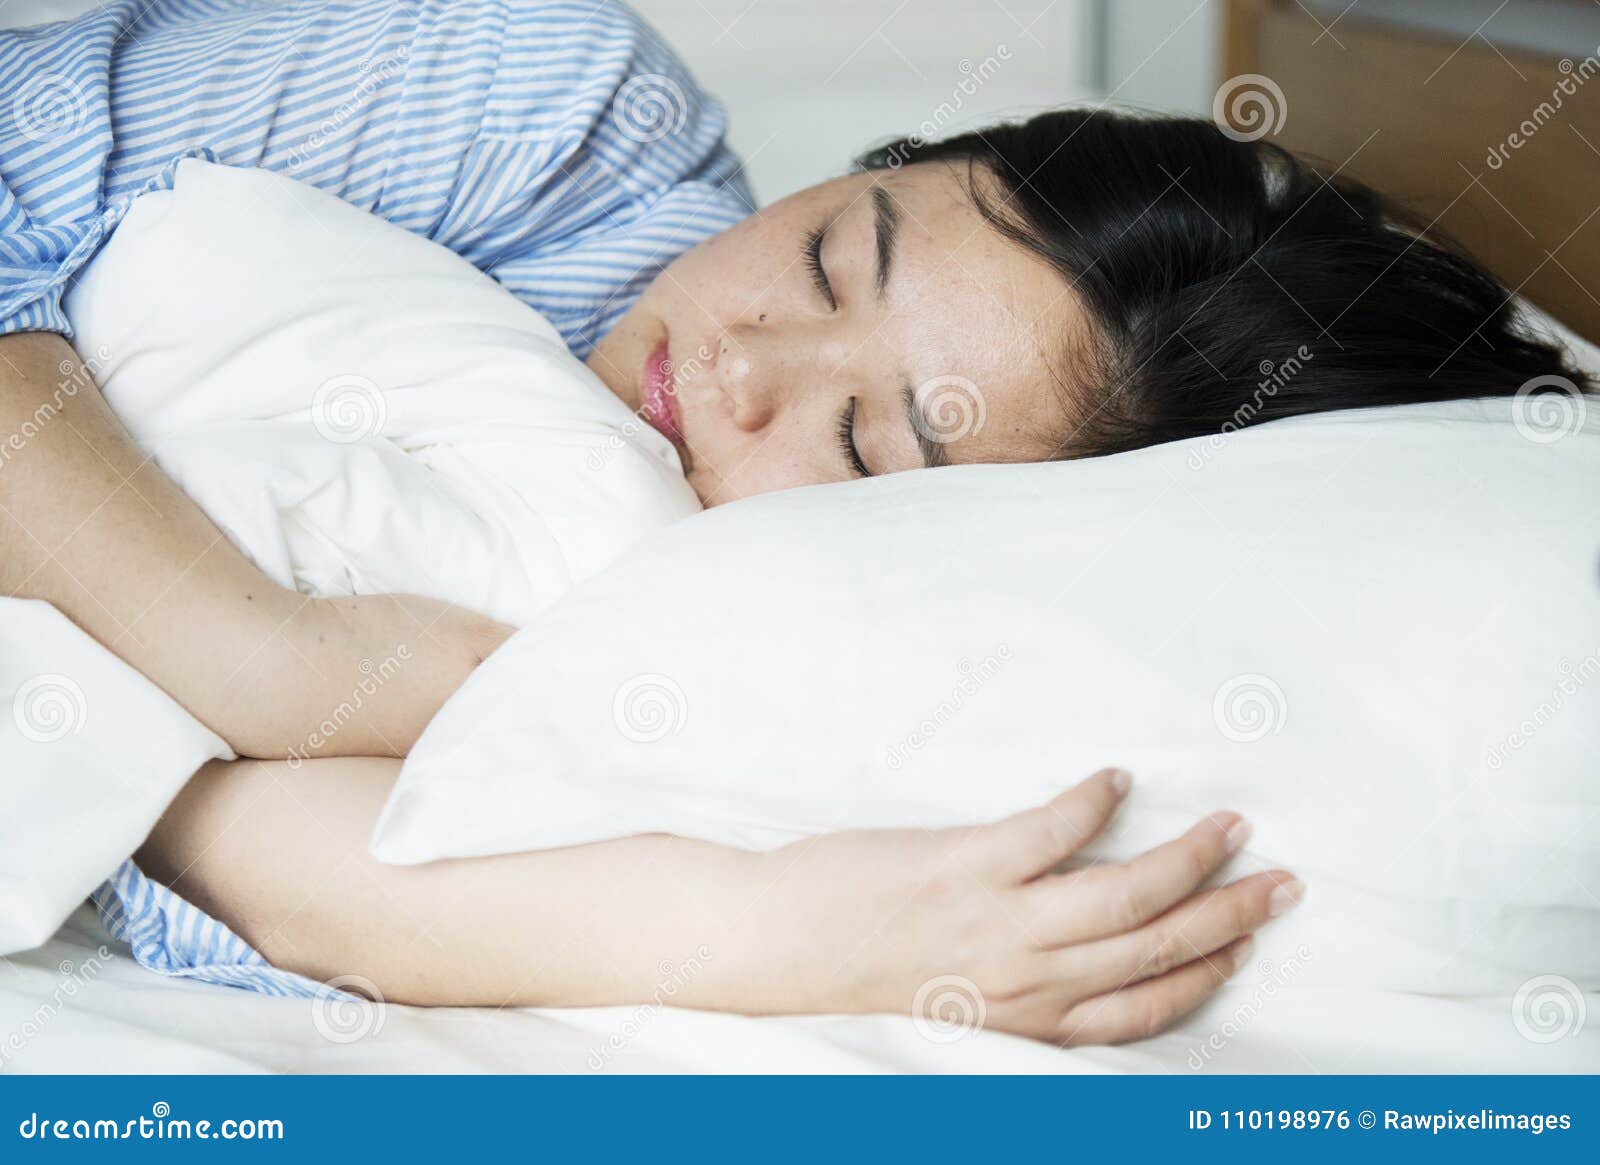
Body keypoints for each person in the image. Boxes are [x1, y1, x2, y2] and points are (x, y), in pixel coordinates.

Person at [2, 0, 1580, 1043]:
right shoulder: (549, 105)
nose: (740, 368)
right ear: (881, 164)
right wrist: (270, 658)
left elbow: (254, 859)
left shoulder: (701, 622)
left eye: (865, 446)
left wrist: (784, 935)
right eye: (834, 255)